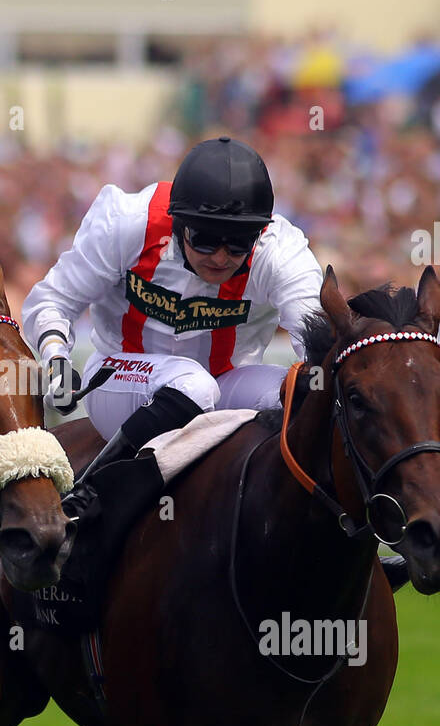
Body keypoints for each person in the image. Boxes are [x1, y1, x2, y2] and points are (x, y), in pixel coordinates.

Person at [22, 136, 324, 518]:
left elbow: (318, 344)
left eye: (237, 245)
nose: (220, 257)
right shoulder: (127, 223)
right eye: (205, 240)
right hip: (120, 378)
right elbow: (52, 300)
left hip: (225, 384)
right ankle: (88, 493)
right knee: (193, 384)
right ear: (179, 223)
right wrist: (56, 360)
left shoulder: (281, 252)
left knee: (298, 396)